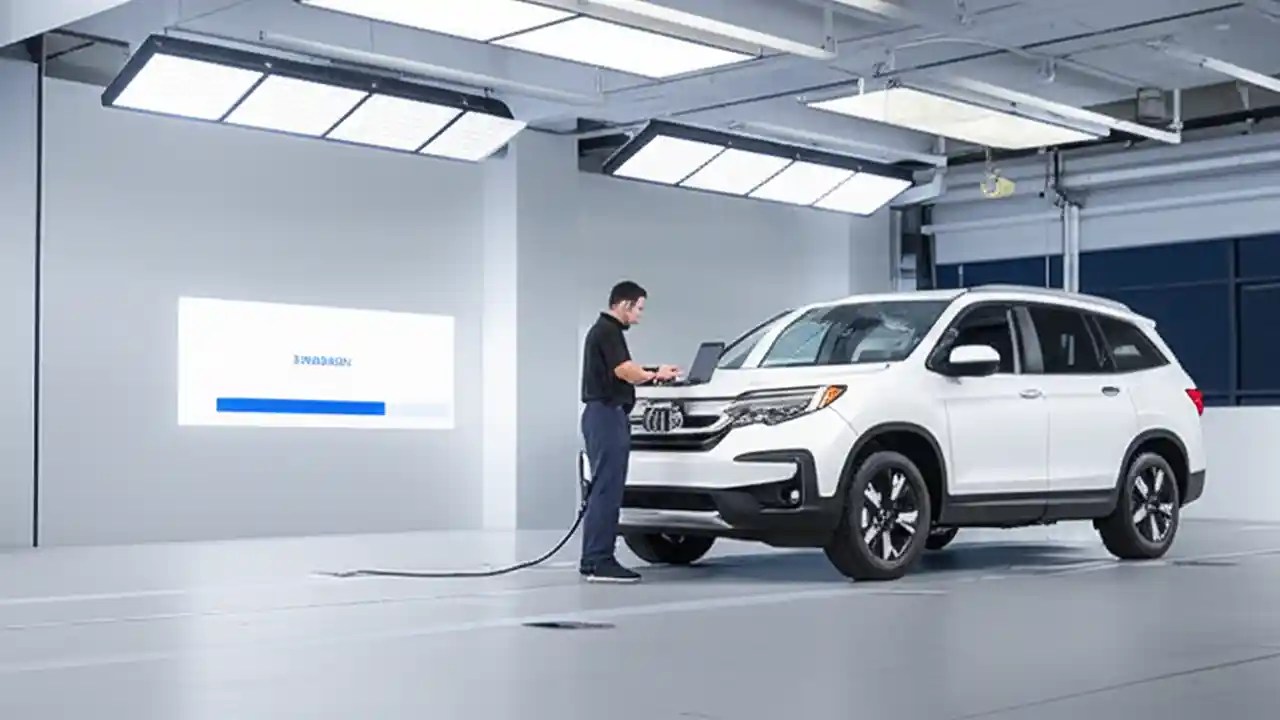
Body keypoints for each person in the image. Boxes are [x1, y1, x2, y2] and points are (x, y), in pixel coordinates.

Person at [578, 280, 680, 583]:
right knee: (607, 490)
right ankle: (599, 560)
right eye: (639, 309)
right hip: (606, 415)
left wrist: (654, 372)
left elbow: (621, 370)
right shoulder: (608, 330)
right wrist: (653, 376)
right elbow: (624, 371)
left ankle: (592, 559)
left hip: (603, 414)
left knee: (603, 488)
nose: (639, 316)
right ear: (624, 305)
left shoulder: (604, 332)